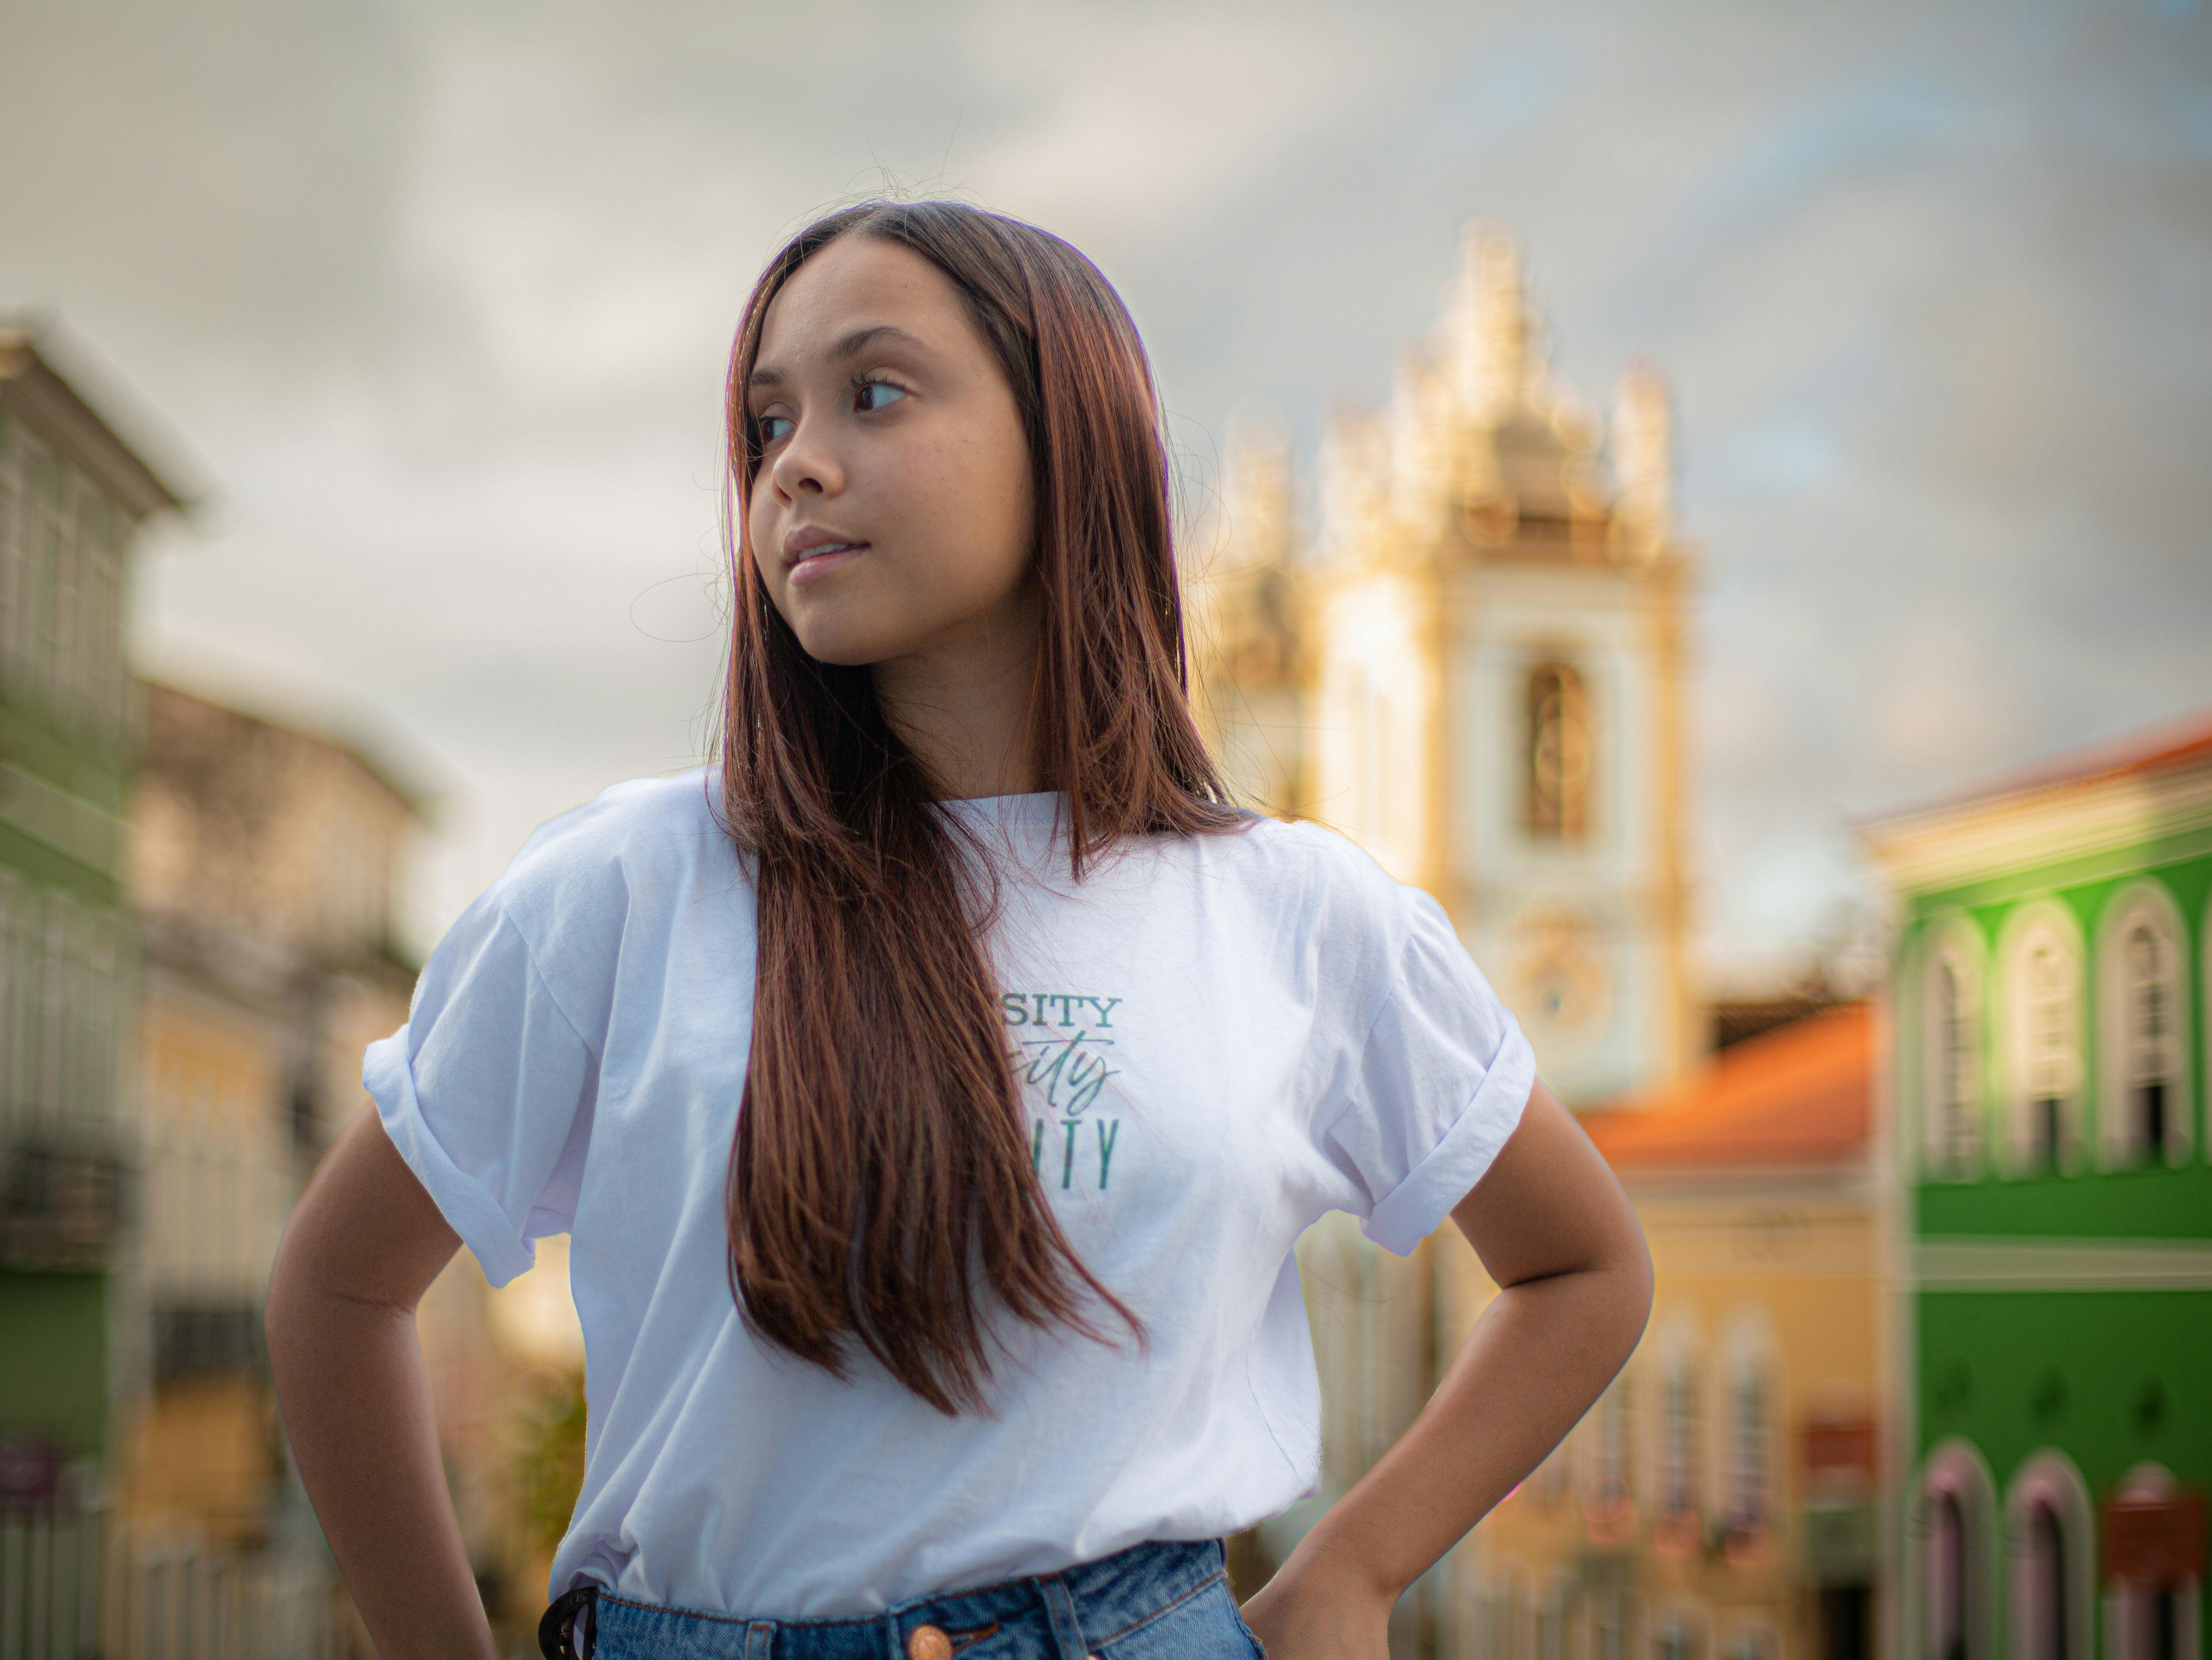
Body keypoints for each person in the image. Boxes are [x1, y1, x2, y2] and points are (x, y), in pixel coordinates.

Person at [265, 198, 1653, 1660]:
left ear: (1070, 443)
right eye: (763, 423)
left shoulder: (1296, 914)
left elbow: (1583, 1267)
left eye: (874, 392)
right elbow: (335, 1289)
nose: (795, 461)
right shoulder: (621, 889)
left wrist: (1357, 1572)